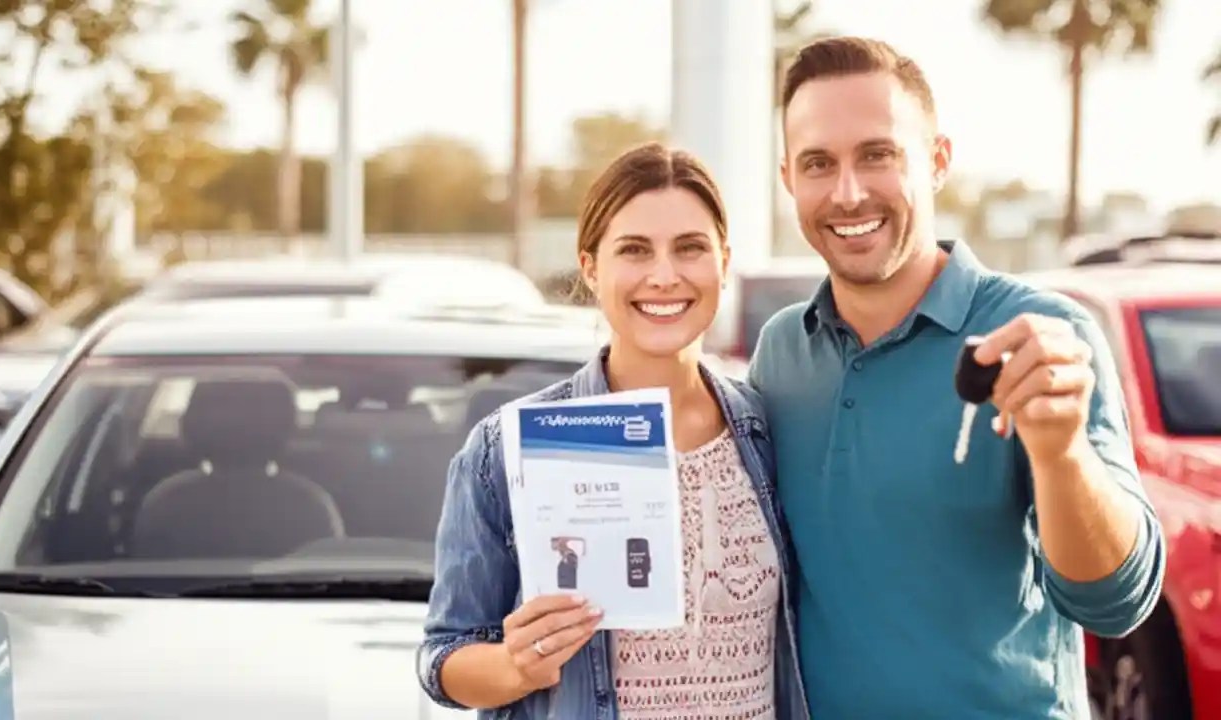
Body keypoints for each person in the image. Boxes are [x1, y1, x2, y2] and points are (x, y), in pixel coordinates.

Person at [748, 35, 1167, 718]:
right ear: (790, 177)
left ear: (938, 162)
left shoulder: (1043, 335)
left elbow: (1116, 602)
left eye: (878, 155)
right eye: (819, 163)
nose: (848, 193)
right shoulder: (780, 353)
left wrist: (1062, 454)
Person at [417, 142, 810, 720]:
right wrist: (514, 667)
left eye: (690, 248)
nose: (664, 275)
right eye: (634, 250)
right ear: (591, 267)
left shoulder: (771, 434)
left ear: (724, 261)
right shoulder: (509, 449)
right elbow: (443, 655)